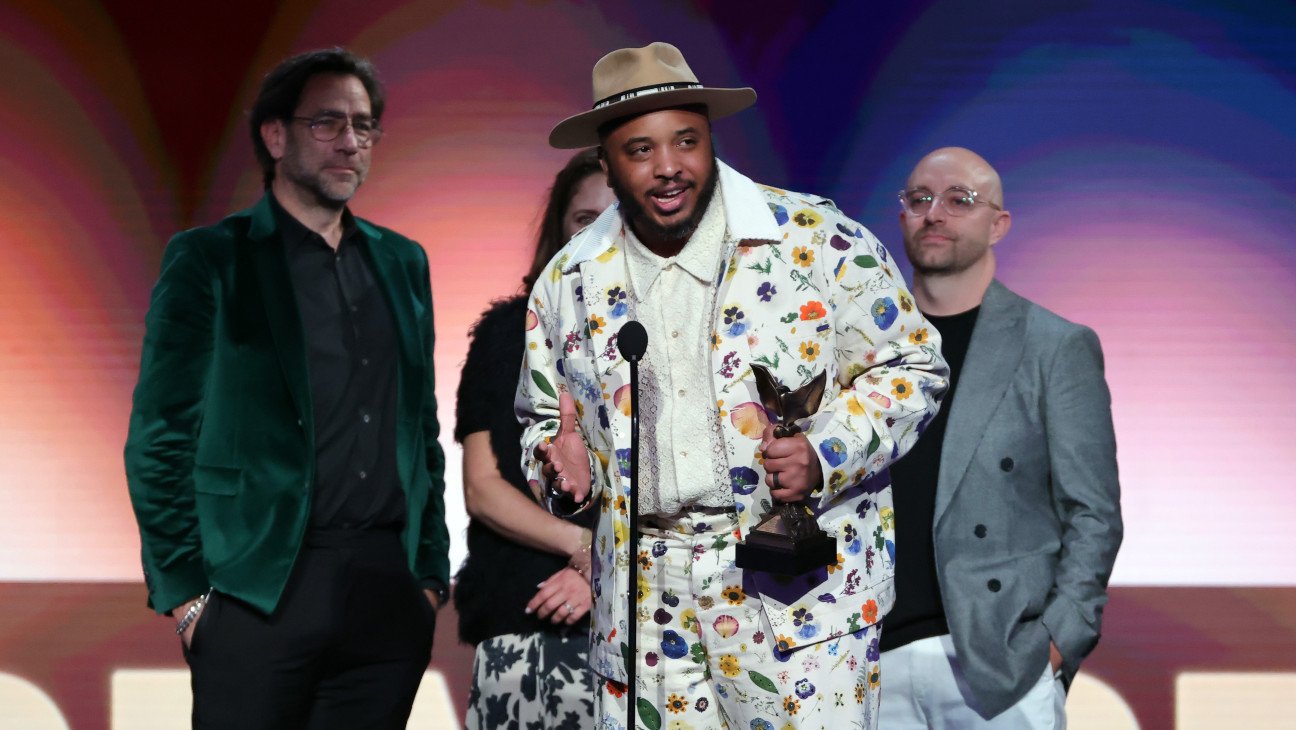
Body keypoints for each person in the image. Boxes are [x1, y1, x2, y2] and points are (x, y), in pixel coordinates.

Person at [517, 42, 948, 729]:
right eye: (640, 150)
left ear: (710, 139)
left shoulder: (815, 239)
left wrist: (825, 451)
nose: (668, 168)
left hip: (798, 600)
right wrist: (559, 471)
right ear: (605, 162)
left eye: (686, 141)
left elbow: (913, 366)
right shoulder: (570, 280)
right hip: (646, 614)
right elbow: (545, 422)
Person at [123, 48, 449, 728]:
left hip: (385, 592)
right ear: (275, 136)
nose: (350, 142)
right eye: (327, 123)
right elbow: (160, 435)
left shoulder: (403, 262)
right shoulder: (212, 259)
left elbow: (419, 425)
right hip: (259, 588)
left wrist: (426, 573)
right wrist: (186, 596)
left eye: (364, 126)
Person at [879, 147, 1123, 727]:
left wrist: (1059, 639)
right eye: (920, 199)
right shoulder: (867, 342)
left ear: (998, 225)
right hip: (868, 660)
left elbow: (1094, 513)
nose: (934, 213)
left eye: (960, 200)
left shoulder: (1053, 347)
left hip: (996, 664)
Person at [454, 148, 613, 729]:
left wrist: (608, 568)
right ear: (559, 230)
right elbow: (484, 485)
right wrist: (584, 548)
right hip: (527, 622)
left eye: (616, 217)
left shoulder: (677, 336)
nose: (600, 234)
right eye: (583, 218)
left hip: (652, 634)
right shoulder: (506, 334)